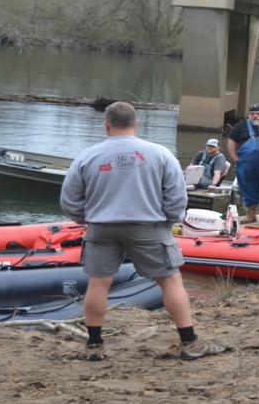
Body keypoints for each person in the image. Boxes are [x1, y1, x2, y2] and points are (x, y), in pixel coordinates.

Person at [60, 101, 223, 361]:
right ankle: (189, 341)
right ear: (136, 123)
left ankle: (94, 345)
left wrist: (88, 218)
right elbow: (177, 196)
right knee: (170, 280)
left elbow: (69, 200)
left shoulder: (87, 156)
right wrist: (168, 220)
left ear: (107, 125)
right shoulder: (160, 154)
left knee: (98, 283)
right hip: (149, 226)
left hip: (102, 227)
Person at [227, 103, 259, 222]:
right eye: (252, 114)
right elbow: (231, 140)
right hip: (246, 164)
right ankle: (251, 214)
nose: (255, 116)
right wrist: (234, 157)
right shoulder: (242, 125)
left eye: (258, 113)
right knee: (248, 188)